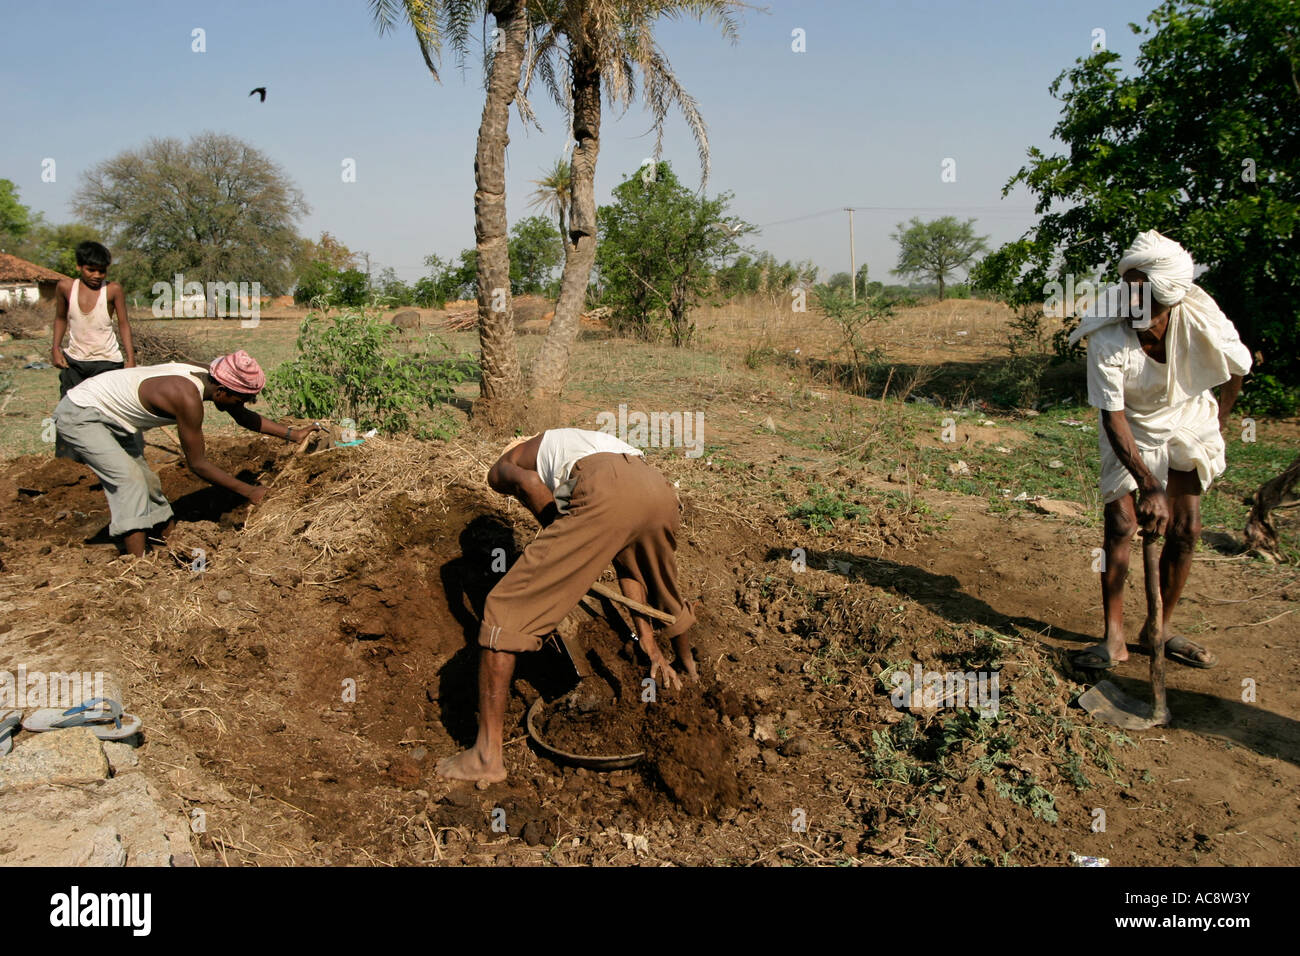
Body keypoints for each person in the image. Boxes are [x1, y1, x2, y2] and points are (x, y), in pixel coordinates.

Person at [437, 428, 697, 784]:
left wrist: (566, 546)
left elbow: (524, 484)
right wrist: (648, 644)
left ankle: (486, 756)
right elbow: (626, 565)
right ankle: (691, 677)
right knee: (663, 589)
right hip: (655, 489)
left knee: (502, 610)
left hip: (607, 487)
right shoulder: (580, 445)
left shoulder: (511, 459)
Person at [1068, 230, 1251, 672]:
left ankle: (1160, 628)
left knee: (1186, 528)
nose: (1128, 300)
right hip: (1131, 419)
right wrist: (1149, 483)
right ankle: (1113, 639)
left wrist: (1220, 422)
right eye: (1126, 287)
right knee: (1122, 522)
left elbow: (1236, 369)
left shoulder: (1199, 317)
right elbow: (1113, 416)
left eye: (1140, 293)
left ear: (1166, 299)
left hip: (1188, 409)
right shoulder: (1107, 334)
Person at [52, 350, 318, 557]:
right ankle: (137, 566)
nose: (242, 404)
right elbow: (198, 464)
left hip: (116, 414)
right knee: (128, 480)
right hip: (83, 413)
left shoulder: (212, 376)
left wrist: (292, 435)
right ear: (223, 391)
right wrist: (250, 492)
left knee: (148, 480)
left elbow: (242, 417)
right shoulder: (187, 397)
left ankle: (170, 540)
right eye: (241, 399)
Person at [51, 241, 135, 395]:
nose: (97, 275)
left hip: (108, 361)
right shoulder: (66, 287)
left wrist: (130, 359)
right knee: (70, 408)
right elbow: (60, 319)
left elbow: (124, 324)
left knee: (107, 409)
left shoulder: (112, 290)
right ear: (79, 266)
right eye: (91, 270)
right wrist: (55, 349)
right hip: (75, 361)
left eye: (102, 271)